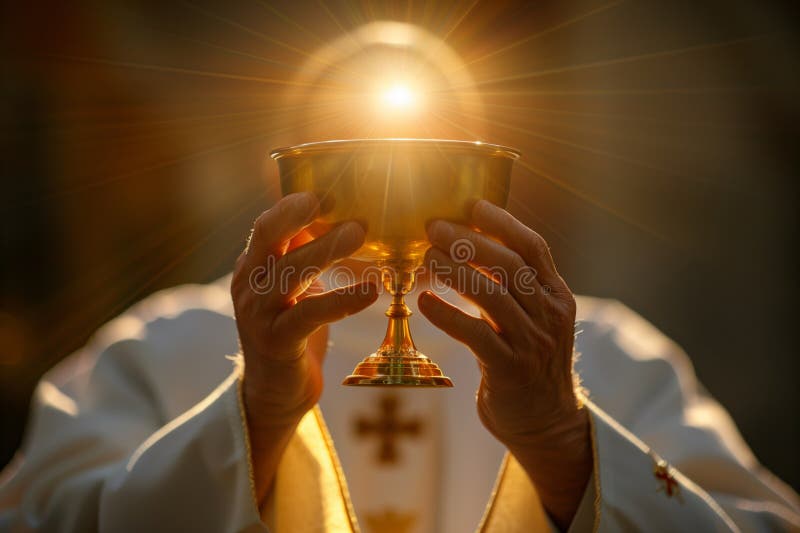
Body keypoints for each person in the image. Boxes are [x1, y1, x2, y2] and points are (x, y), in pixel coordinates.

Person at [0, 192, 798, 532]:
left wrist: (566, 441)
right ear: (279, 177)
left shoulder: (600, 347)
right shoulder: (163, 342)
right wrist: (253, 416)